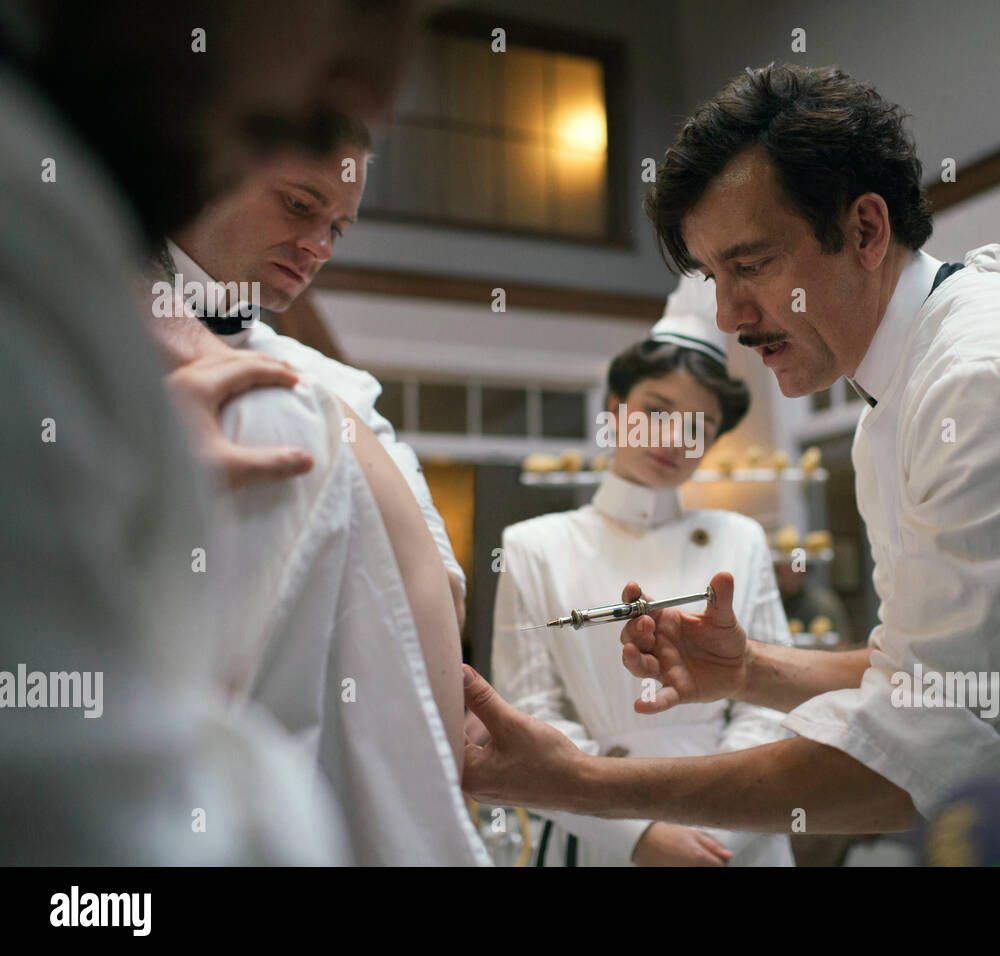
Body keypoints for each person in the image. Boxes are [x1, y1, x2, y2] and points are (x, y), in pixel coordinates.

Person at [459, 64, 1000, 841]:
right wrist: (753, 669)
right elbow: (934, 669)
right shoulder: (892, 412)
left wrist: (577, 785)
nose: (730, 315)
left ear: (864, 227)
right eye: (714, 276)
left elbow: (916, 751)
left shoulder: (991, 376)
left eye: (749, 265)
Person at [0, 0, 417, 863]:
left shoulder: (311, 384)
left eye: (337, 228)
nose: (382, 84)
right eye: (366, 6)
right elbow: (84, 838)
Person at [490, 275, 794, 866]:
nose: (674, 440)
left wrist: (715, 833)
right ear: (614, 409)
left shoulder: (742, 538)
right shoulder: (533, 545)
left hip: (733, 830)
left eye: (699, 428)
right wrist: (636, 836)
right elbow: (533, 717)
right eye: (657, 411)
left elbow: (770, 703)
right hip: (597, 826)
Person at [157, 115, 468, 625]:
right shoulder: (74, 312)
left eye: (337, 230)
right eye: (299, 205)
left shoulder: (348, 391)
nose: (319, 248)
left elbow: (439, 601)